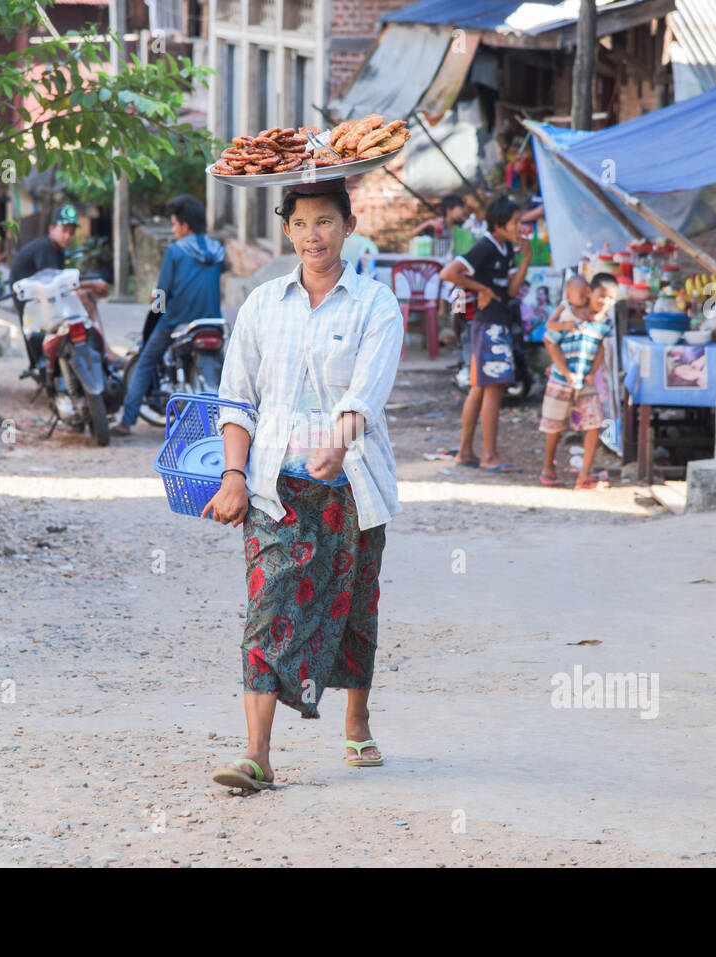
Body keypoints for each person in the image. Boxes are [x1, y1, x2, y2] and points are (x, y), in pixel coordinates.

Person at [201, 178, 404, 792]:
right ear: (286, 229)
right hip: (273, 488)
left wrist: (339, 440)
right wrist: (234, 474)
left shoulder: (376, 304)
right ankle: (257, 754)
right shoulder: (262, 305)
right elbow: (236, 399)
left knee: (354, 605)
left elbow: (367, 390)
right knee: (266, 609)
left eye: (326, 221)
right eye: (301, 222)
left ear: (348, 225)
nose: (313, 234)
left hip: (353, 486)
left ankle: (358, 716)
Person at [112, 194, 226, 437]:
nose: (173, 229)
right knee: (225, 372)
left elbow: (162, 295)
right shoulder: (218, 250)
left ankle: (127, 421)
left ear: (185, 225)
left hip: (177, 322)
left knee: (145, 361)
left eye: (174, 224)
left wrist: (155, 317)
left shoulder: (175, 251)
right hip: (212, 323)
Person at [441, 196, 531, 472]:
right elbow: (449, 273)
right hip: (488, 323)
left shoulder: (506, 249)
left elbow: (512, 290)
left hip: (494, 321)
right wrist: (480, 289)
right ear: (500, 225)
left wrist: (526, 257)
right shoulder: (486, 247)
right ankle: (489, 455)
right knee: (493, 389)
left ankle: (466, 452)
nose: (520, 226)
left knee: (480, 388)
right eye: (516, 222)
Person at [8, 204, 112, 368]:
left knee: (86, 296)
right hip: (30, 301)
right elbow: (54, 282)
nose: (68, 236)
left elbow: (63, 282)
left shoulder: (59, 250)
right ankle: (105, 351)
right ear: (52, 229)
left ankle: (101, 350)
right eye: (64, 230)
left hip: (45, 297)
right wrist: (91, 284)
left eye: (71, 232)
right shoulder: (45, 248)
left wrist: (90, 287)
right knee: (83, 297)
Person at [540, 273, 617, 490]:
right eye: (601, 296)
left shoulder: (605, 323)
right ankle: (548, 467)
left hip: (586, 381)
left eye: (610, 299)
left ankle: (584, 475)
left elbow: (600, 348)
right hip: (560, 380)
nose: (605, 302)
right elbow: (550, 342)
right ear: (589, 294)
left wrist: (592, 371)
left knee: (594, 424)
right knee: (554, 425)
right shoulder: (569, 316)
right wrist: (565, 372)